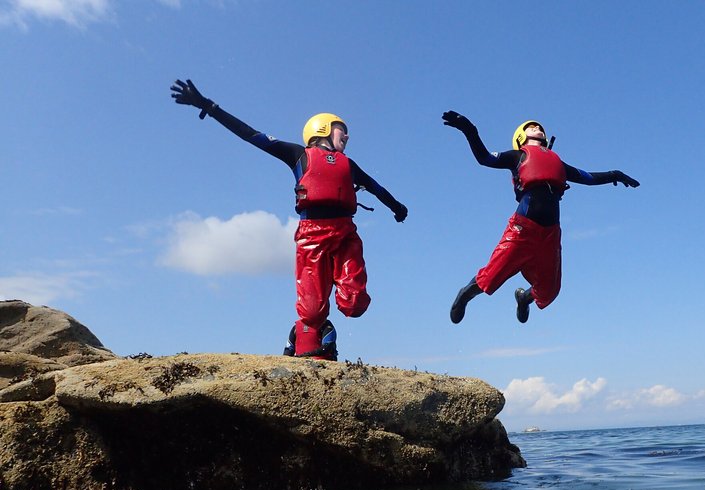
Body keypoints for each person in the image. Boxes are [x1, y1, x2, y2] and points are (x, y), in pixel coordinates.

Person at [170, 79, 408, 359]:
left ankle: (322, 328)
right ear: (323, 129)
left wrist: (396, 207)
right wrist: (209, 106)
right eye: (342, 130)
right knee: (311, 312)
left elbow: (376, 187)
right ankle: (304, 338)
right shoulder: (299, 155)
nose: (346, 137)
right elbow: (251, 135)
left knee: (354, 304)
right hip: (312, 236)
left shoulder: (349, 165)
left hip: (345, 234)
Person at [442, 111, 639, 324]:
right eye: (531, 127)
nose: (538, 128)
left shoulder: (558, 163)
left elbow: (589, 177)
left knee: (549, 291)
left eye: (540, 128)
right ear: (520, 137)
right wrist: (469, 130)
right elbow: (485, 158)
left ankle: (523, 298)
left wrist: (614, 174)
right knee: (491, 276)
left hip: (550, 234)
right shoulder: (518, 156)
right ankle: (465, 295)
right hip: (522, 230)